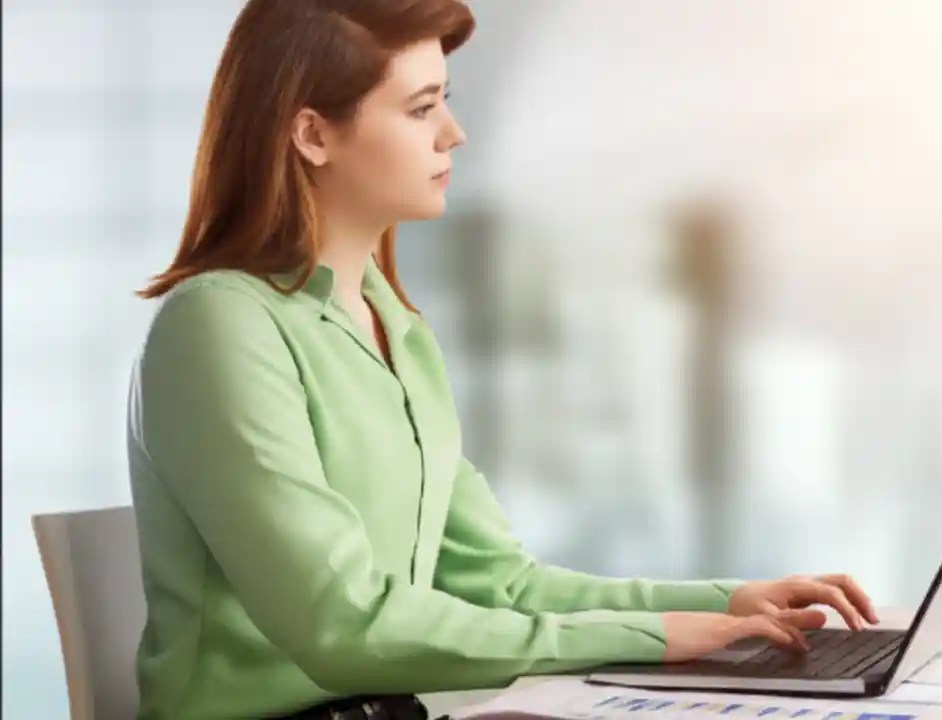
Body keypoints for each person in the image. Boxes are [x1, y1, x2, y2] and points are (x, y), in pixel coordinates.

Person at [127, 1, 879, 718]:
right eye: (420, 109)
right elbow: (344, 625)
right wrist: (659, 642)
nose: (452, 133)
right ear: (313, 135)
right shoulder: (220, 325)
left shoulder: (396, 327)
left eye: (444, 102)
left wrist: (722, 606)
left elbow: (502, 587)